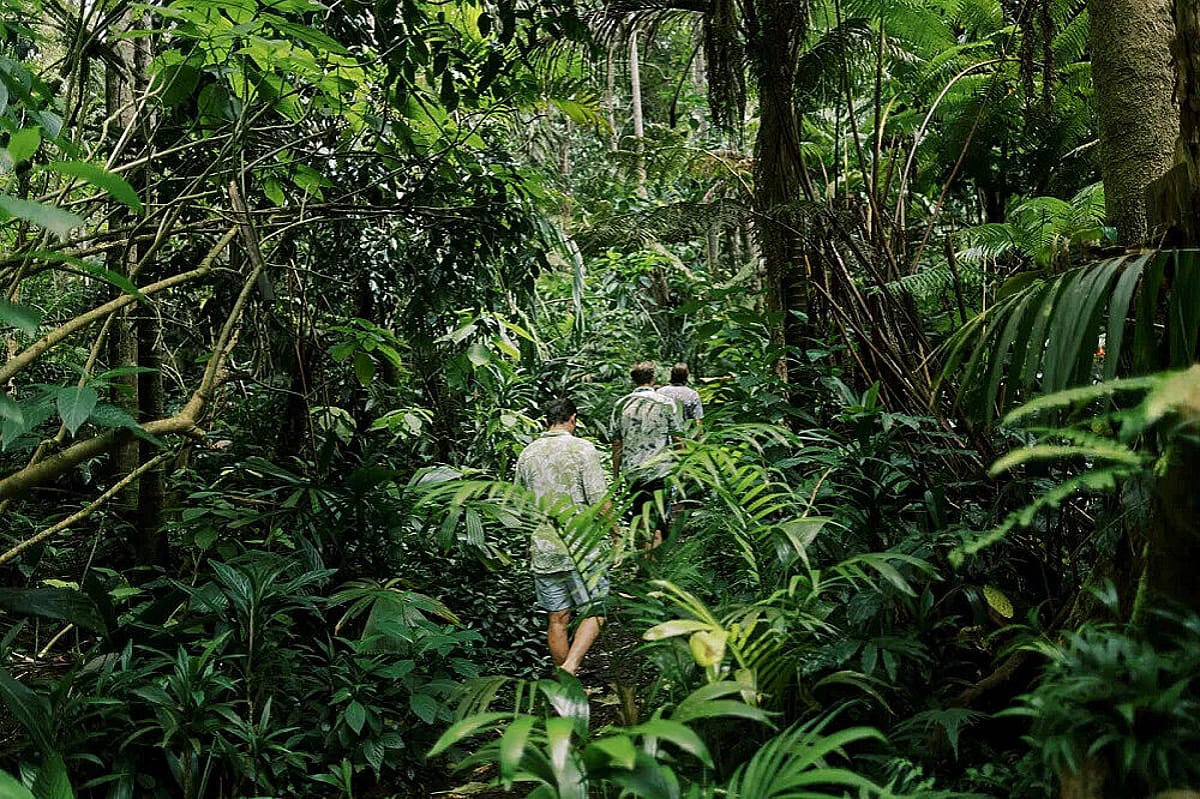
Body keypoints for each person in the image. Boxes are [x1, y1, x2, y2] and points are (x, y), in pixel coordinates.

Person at [515, 397, 610, 675]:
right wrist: (616, 534)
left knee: (557, 619)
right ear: (573, 419)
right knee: (596, 610)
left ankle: (568, 685)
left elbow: (521, 505)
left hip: (545, 548)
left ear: (547, 421)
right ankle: (571, 665)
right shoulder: (583, 449)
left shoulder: (528, 454)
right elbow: (599, 499)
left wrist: (528, 543)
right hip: (583, 548)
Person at [610, 361, 683, 548]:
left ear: (633, 380)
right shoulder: (666, 403)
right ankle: (652, 566)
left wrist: (616, 475)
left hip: (633, 472)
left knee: (641, 516)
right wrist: (682, 467)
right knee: (658, 520)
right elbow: (678, 439)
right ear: (653, 378)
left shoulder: (621, 405)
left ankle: (644, 563)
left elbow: (617, 444)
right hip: (660, 469)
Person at [656, 362, 704, 432]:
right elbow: (697, 420)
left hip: (663, 434)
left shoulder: (660, 392)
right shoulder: (692, 394)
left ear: (671, 375)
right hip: (684, 435)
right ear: (686, 376)